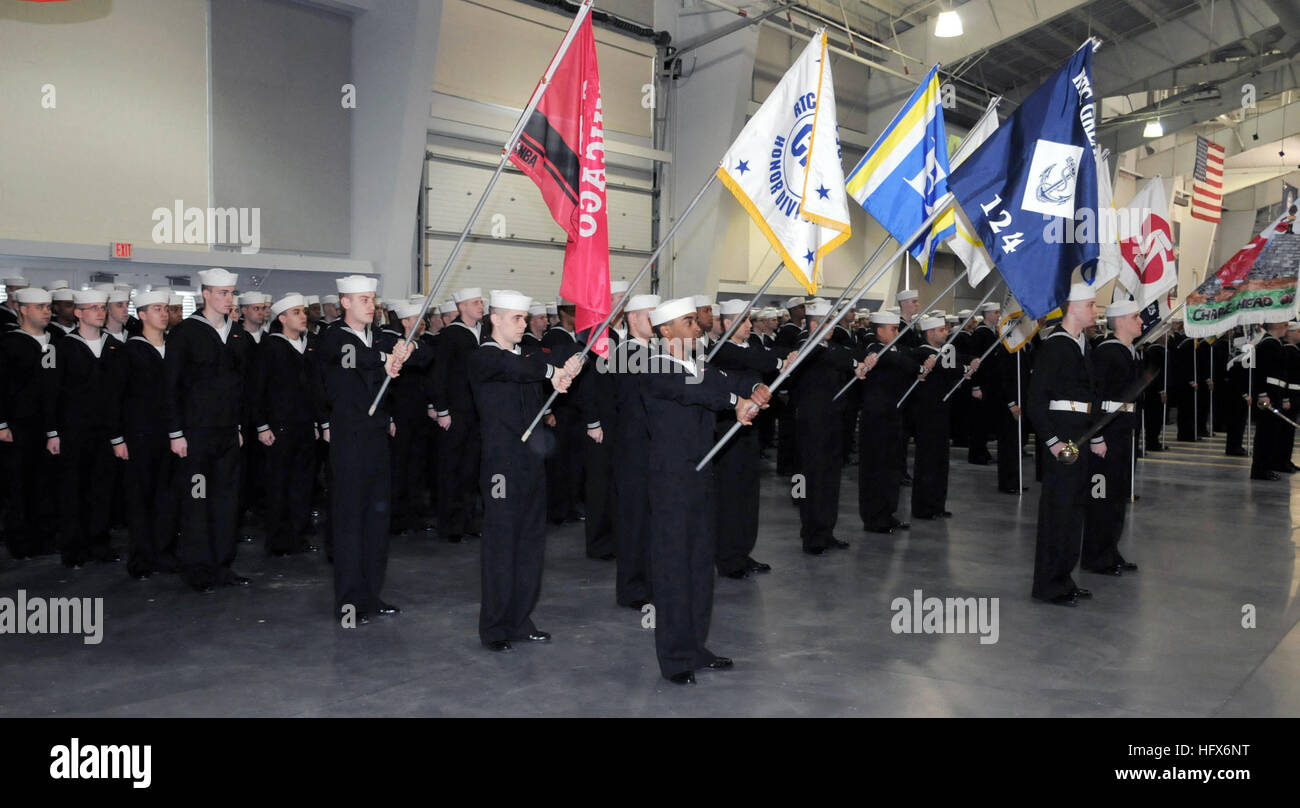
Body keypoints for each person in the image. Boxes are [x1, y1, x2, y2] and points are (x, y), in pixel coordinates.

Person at [642, 297, 767, 684]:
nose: (698, 327)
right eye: (688, 322)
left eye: (697, 321)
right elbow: (694, 393)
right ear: (665, 331)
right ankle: (675, 657)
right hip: (671, 482)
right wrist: (736, 402)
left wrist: (757, 387)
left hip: (700, 477)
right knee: (674, 568)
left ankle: (696, 646)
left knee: (699, 565)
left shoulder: (698, 366)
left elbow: (728, 380)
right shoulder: (654, 367)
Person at [470, 290, 584, 651]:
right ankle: (495, 626)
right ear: (496, 320)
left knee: (530, 543)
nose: (524, 325)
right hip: (501, 466)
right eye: (517, 319)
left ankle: (520, 619)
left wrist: (566, 375)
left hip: (531, 462)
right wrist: (553, 372)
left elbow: (537, 373)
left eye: (525, 318)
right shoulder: (485, 356)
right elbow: (515, 368)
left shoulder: (528, 356)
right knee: (503, 545)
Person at [316, 275, 412, 624]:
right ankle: (349, 602)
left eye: (372, 299)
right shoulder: (334, 338)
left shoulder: (376, 337)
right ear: (345, 303)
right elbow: (351, 358)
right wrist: (386, 358)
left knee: (375, 520)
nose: (371, 305)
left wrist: (404, 350)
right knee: (350, 522)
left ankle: (371, 595)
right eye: (362, 299)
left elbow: (416, 352)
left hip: (375, 436)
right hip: (349, 439)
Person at [164, 268, 256, 593]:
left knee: (226, 500)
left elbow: (245, 386)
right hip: (196, 435)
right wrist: (176, 433)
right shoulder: (186, 333)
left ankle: (222, 565)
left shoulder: (238, 335)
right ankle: (198, 568)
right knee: (197, 499)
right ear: (205, 294)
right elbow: (171, 386)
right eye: (221, 293)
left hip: (228, 434)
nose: (228, 299)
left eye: (231, 293)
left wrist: (242, 427)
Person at [1028, 283, 1105, 607]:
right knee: (1057, 514)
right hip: (1063, 442)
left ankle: (1064, 578)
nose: (1095, 311)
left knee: (1074, 513)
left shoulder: (1082, 344)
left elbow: (1089, 396)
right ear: (1072, 307)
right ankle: (1048, 584)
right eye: (1090, 305)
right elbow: (1035, 402)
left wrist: (1096, 436)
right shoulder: (1055, 346)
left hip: (1081, 438)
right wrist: (1053, 442)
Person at [709, 299, 794, 577]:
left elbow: (761, 360)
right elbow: (753, 362)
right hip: (728, 430)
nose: (748, 325)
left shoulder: (752, 348)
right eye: (742, 320)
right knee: (730, 495)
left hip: (749, 429)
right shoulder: (721, 350)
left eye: (748, 320)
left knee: (748, 494)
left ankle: (743, 552)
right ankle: (728, 557)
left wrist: (782, 361)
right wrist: (782, 361)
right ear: (727, 322)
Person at [53, 288, 125, 568]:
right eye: (93, 307)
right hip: (74, 431)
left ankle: (99, 543)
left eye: (102, 307)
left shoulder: (114, 346)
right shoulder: (62, 346)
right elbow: (52, 392)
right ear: (79, 313)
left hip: (106, 432)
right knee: (73, 490)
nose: (99, 312)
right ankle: (73, 548)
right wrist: (52, 432)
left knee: (102, 488)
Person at [251, 294, 324, 556]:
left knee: (302, 483)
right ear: (282, 318)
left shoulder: (309, 345)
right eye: (296, 312)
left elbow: (315, 389)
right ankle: (278, 540)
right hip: (278, 427)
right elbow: (256, 389)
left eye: (303, 311)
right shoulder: (270, 346)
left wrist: (317, 421)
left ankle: (297, 535)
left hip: (304, 426)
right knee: (278, 484)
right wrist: (261, 425)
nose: (303, 316)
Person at [116, 291, 180, 579]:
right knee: (140, 498)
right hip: (140, 435)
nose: (164, 314)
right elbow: (115, 398)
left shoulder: (175, 347)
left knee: (167, 496)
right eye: (156, 309)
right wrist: (118, 438)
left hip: (171, 434)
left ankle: (165, 553)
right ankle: (141, 559)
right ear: (141, 314)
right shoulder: (131, 351)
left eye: (165, 309)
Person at [788, 301, 860, 555]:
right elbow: (828, 356)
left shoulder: (831, 346)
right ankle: (812, 534)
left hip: (832, 421)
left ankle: (827, 530)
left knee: (830, 478)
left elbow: (843, 355)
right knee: (812, 478)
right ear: (815, 324)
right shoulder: (805, 347)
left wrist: (860, 362)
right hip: (812, 423)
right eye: (829, 322)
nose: (834, 326)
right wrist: (854, 363)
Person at [1082, 300, 1143, 576]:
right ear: (1119, 322)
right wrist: (1097, 437)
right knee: (1102, 498)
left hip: (1122, 432)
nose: (1141, 321)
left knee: (1117, 497)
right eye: (1135, 317)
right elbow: (1095, 398)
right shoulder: (1108, 353)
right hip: (1107, 436)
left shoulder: (1127, 352)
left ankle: (1110, 551)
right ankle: (1096, 556)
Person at [0, 287, 61, 559]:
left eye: (48, 307)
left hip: (51, 426)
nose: (46, 312)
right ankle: (20, 541)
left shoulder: (56, 340)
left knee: (46, 483)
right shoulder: (9, 342)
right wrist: (2, 424)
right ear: (23, 309)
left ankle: (46, 536)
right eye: (40, 307)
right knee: (18, 484)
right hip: (19, 425)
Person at [609, 293, 659, 609]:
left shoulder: (652, 351)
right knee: (634, 518)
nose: (655, 321)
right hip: (633, 447)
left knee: (649, 517)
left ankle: (649, 579)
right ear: (633, 318)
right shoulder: (627, 353)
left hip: (650, 446)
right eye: (648, 315)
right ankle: (632, 587)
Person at [909, 316, 978, 520]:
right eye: (941, 330)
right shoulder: (921, 352)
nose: (945, 333)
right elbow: (946, 366)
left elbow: (954, 362)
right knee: (927, 461)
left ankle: (937, 503)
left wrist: (970, 362)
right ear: (929, 333)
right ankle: (923, 507)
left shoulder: (943, 352)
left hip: (941, 413)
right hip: (926, 415)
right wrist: (966, 369)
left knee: (940, 460)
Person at [431, 287, 486, 542]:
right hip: (455, 412)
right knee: (451, 468)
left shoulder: (483, 333)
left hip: (477, 412)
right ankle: (451, 525)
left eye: (481, 302)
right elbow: (439, 373)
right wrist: (442, 409)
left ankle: (469, 521)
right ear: (462, 306)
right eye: (475, 302)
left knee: (471, 469)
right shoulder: (450, 334)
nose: (481, 306)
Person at [856, 310, 918, 534]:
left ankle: (888, 512)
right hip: (875, 418)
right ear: (880, 330)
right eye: (892, 329)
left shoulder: (893, 349)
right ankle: (873, 517)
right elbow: (898, 360)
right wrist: (907, 361)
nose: (896, 332)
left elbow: (909, 363)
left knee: (891, 468)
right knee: (875, 469)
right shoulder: (871, 347)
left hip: (892, 415)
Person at [378, 300, 436, 535]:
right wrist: (389, 416)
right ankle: (396, 518)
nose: (421, 323)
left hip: (417, 414)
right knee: (398, 467)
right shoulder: (392, 345)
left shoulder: (419, 346)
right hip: (399, 414)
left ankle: (415, 515)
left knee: (416, 466)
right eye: (416, 319)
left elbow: (427, 358)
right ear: (404, 322)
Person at [1249, 321, 1290, 480]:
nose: (1287, 328)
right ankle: (1260, 469)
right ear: (1278, 326)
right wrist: (1262, 394)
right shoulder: (1267, 344)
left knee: (1272, 433)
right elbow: (1260, 371)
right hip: (1269, 394)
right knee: (1265, 434)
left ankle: (1266, 467)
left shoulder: (1275, 343)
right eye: (1285, 325)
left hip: (1276, 392)